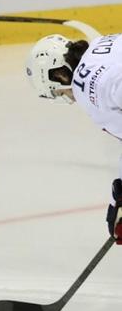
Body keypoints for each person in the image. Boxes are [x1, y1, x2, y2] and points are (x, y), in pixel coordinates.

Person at [26, 32, 122, 244]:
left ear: (59, 76)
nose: (67, 97)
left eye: (60, 93)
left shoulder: (86, 85)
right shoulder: (102, 44)